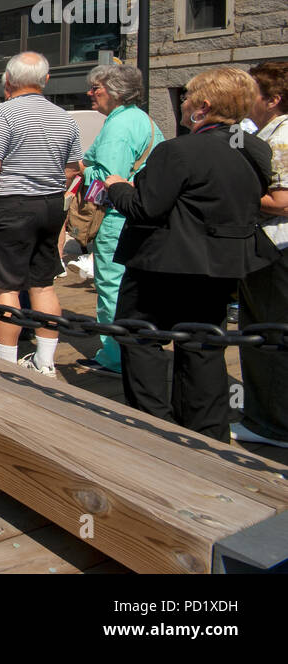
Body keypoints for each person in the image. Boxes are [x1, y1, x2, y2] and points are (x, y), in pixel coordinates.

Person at [106, 66, 276, 442]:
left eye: (186, 98)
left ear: (204, 106)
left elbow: (145, 208)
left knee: (141, 338)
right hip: (221, 266)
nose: (182, 104)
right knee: (201, 345)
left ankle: (153, 427)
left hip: (163, 264)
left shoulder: (178, 150)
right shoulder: (254, 148)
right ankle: (204, 431)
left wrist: (116, 186)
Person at [0, 52, 83, 374]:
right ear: (46, 80)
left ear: (7, 80)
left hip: (10, 206)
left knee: (5, 286)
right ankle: (44, 362)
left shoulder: (2, 114)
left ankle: (6, 365)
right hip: (49, 205)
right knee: (43, 284)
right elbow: (73, 169)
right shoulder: (65, 117)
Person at [75, 64, 165, 375]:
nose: (90, 93)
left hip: (116, 217)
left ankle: (114, 356)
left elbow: (110, 178)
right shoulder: (142, 119)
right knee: (135, 289)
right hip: (140, 215)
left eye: (95, 88)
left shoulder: (119, 125)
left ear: (114, 91)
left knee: (112, 286)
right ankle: (134, 352)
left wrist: (80, 168)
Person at [235, 61, 288, 447]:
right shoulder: (269, 132)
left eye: (252, 92)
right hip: (274, 248)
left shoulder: (281, 138)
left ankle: (271, 425)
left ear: (272, 100)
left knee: (267, 336)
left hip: (275, 250)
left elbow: (283, 201)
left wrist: (231, 191)